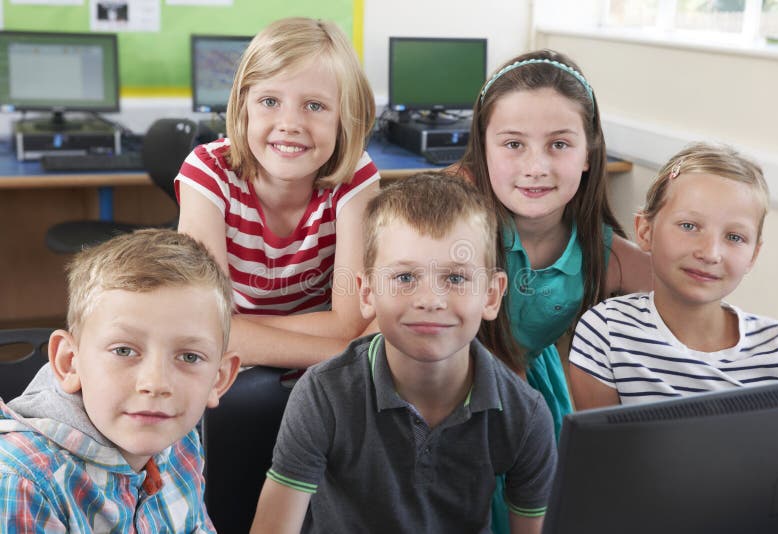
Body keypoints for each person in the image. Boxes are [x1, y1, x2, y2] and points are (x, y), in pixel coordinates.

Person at [250, 173, 557, 534]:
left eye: (456, 279)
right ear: (366, 293)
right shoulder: (323, 395)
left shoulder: (526, 414)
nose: (429, 301)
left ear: (491, 295)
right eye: (405, 277)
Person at [454, 49, 652, 435]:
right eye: (513, 144)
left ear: (588, 154)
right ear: (483, 148)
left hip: (527, 398)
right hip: (440, 397)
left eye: (559, 145)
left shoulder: (604, 254)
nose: (536, 168)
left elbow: (688, 304)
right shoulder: (447, 217)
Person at [0, 229, 240, 532]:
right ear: (69, 362)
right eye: (124, 350)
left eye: (189, 357)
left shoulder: (180, 439)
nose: (156, 383)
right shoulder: (22, 484)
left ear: (218, 379)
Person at [176, 17, 379, 368]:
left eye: (314, 106)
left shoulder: (356, 176)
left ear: (344, 118)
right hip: (258, 364)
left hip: (286, 364)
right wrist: (347, 354)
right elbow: (200, 322)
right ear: (244, 108)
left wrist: (231, 330)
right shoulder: (207, 171)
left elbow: (350, 320)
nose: (290, 124)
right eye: (270, 101)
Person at [569, 142, 778, 409]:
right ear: (645, 232)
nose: (710, 253)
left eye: (734, 237)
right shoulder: (606, 331)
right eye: (689, 226)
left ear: (753, 256)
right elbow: (601, 447)